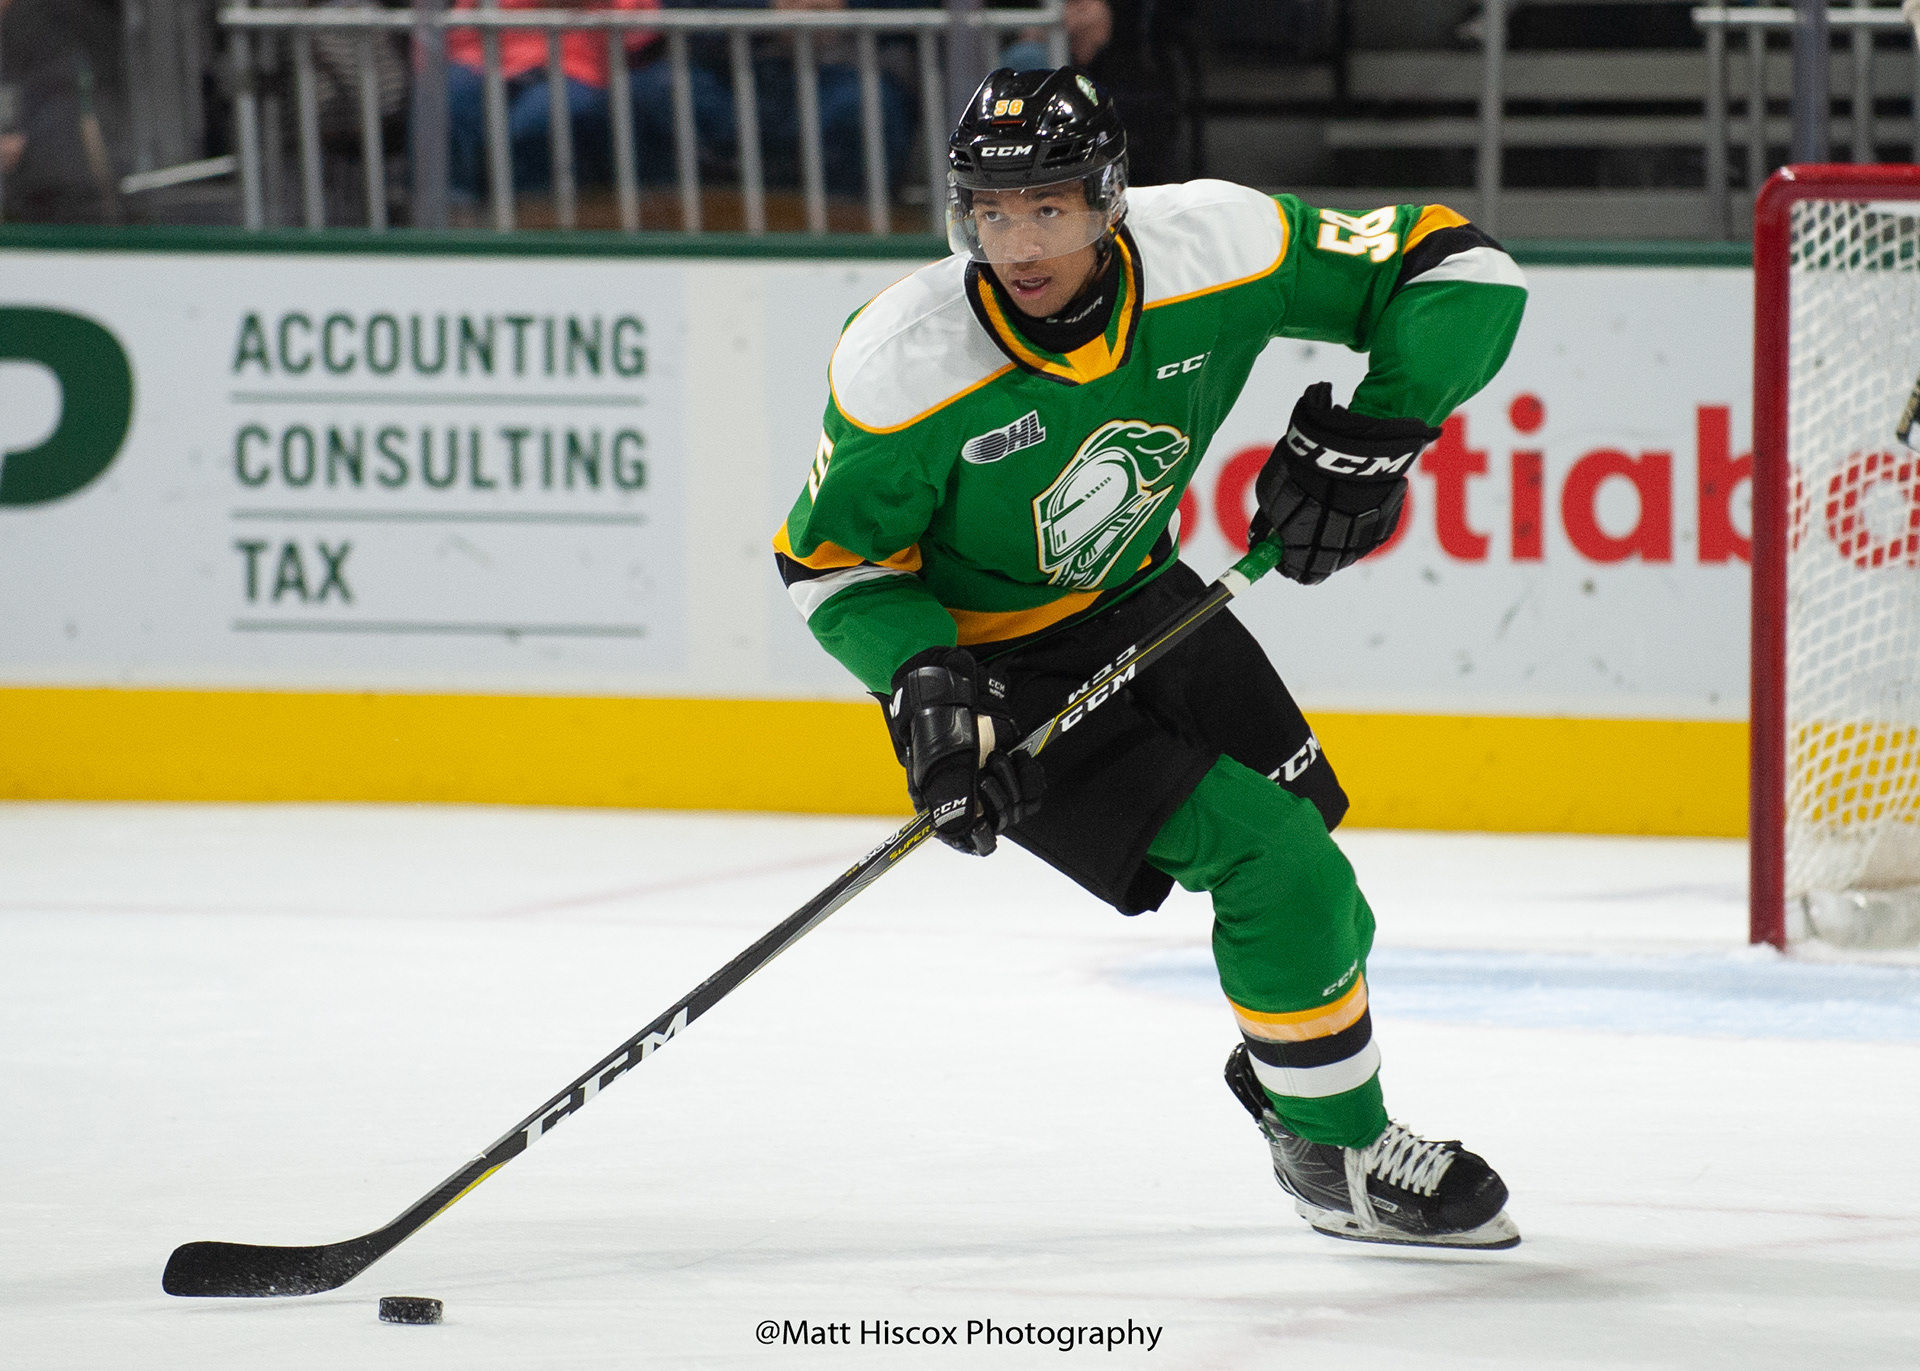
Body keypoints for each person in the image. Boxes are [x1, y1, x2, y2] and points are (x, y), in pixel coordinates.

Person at [773, 66, 1529, 1249]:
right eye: (988, 211)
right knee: (1279, 864)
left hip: (1144, 598)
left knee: (1307, 868)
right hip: (995, 676)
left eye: (1049, 209)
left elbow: (1457, 265)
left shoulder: (1212, 245)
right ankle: (1340, 1157)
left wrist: (1387, 426)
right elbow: (834, 565)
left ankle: (1296, 1086)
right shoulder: (904, 364)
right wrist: (922, 681)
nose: (1015, 244)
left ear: (1111, 198)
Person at [630, 0, 917, 197]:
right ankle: (679, 232)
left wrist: (843, 6)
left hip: (845, 65)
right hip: (728, 66)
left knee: (866, 105)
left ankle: (852, 236)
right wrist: (767, 8)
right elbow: (676, 6)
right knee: (657, 92)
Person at [443, 0, 658, 202]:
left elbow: (639, 29)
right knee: (449, 98)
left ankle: (532, 226)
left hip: (575, 65)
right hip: (486, 58)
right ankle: (455, 219)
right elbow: (462, 24)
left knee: (536, 121)